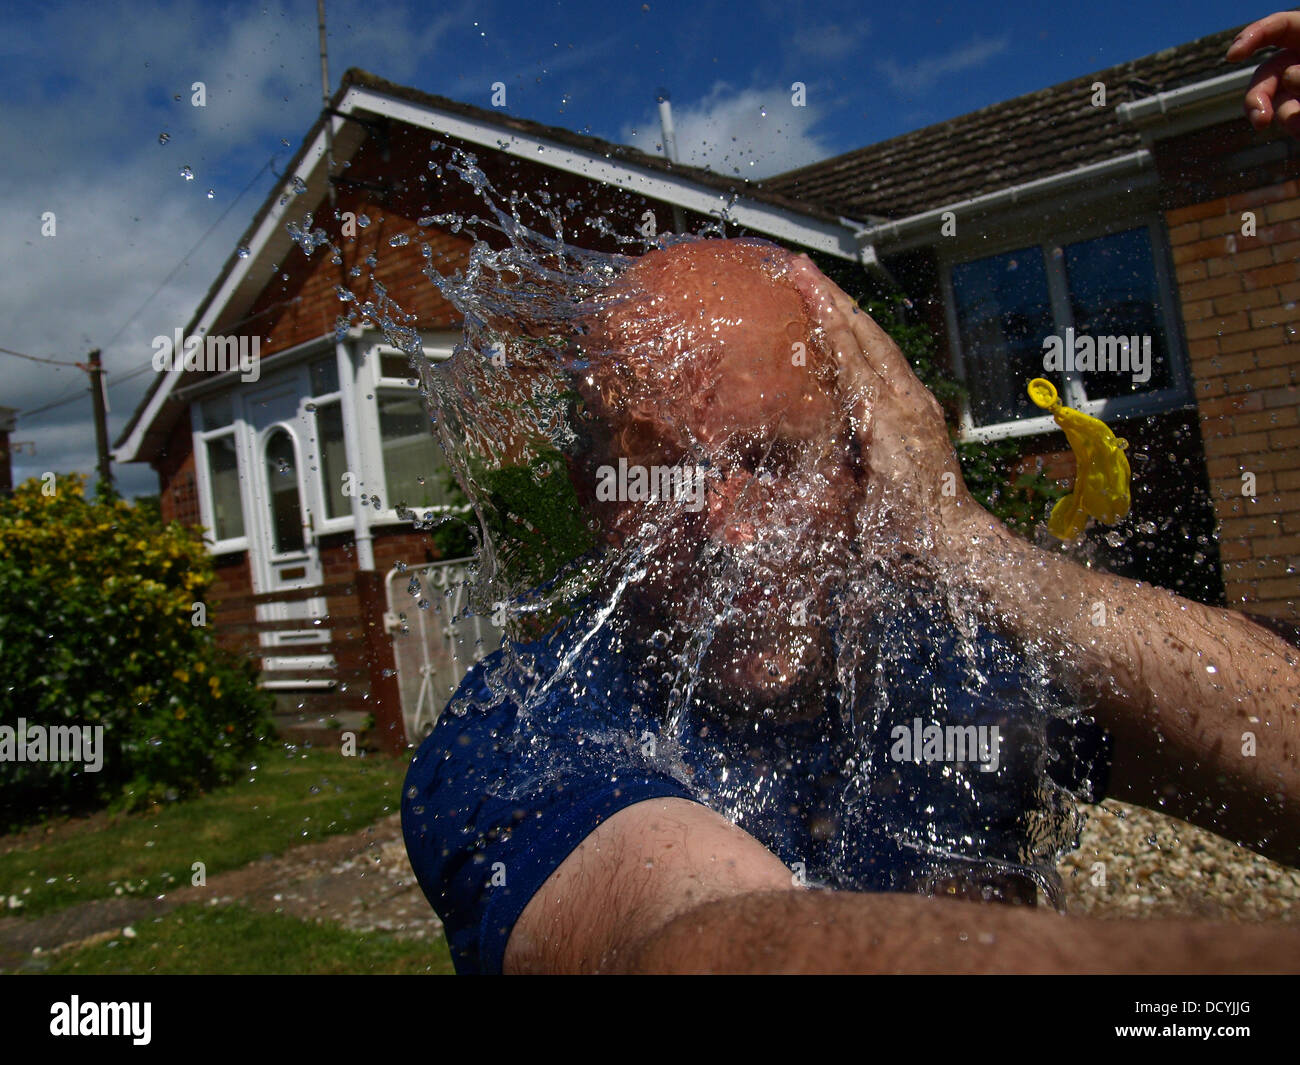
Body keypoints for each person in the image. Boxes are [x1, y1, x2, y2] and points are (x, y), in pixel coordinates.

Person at [401, 14, 1300, 973]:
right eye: (665, 475)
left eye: (775, 460)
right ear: (590, 492)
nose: (729, 529)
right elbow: (695, 943)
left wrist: (971, 548)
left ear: (868, 460)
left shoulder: (957, 658)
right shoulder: (521, 731)